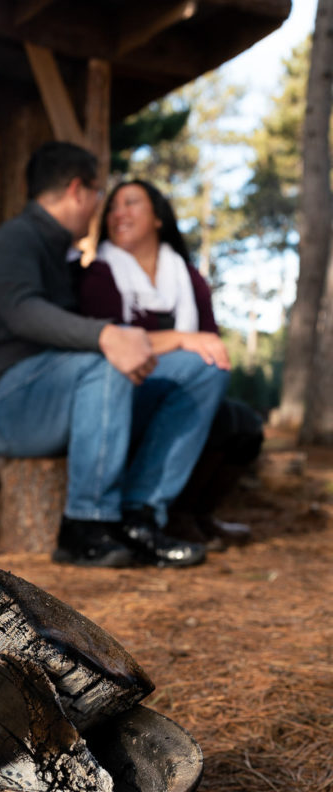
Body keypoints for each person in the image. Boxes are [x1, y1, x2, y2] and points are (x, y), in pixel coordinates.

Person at [0, 141, 231, 568]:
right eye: (100, 195)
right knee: (106, 363)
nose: (101, 210)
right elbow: (24, 312)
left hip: (66, 393)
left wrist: (165, 342)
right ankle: (86, 525)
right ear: (77, 190)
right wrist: (106, 335)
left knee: (202, 369)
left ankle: (140, 516)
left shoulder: (64, 253)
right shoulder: (15, 239)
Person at [77, 178, 263, 546]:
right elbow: (106, 341)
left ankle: (190, 513)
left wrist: (187, 349)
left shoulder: (188, 277)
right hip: (120, 390)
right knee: (197, 396)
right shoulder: (98, 275)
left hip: (181, 386)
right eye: (112, 207)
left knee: (240, 424)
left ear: (158, 217)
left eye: (131, 203)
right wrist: (179, 340)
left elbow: (210, 344)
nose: (118, 213)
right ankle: (142, 511)